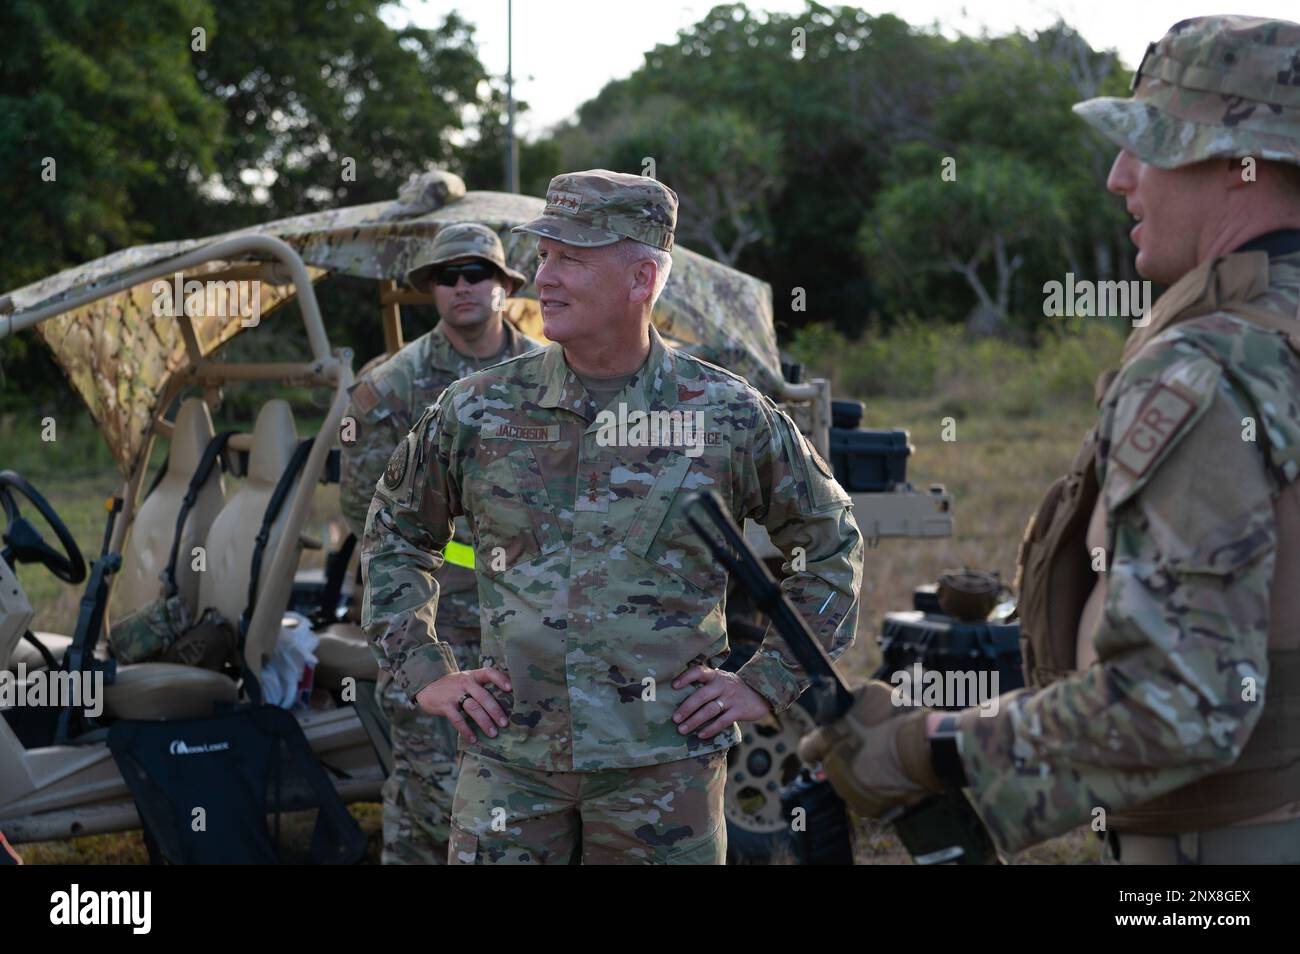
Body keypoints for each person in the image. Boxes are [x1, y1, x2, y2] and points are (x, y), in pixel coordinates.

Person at [800, 15, 1300, 864]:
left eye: (1147, 142)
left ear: (1235, 162)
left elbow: (1178, 703)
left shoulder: (1207, 368)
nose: (1119, 177)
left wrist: (926, 746)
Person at [361, 169, 864, 864]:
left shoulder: (726, 414)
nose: (545, 278)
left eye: (573, 258)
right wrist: (422, 666)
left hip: (663, 772)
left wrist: (765, 683)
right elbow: (395, 531)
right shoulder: (477, 409)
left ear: (641, 279)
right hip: (512, 764)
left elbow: (830, 541)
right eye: (543, 255)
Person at [340, 222, 540, 864]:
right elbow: (367, 514)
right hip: (436, 620)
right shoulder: (392, 387)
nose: (462, 287)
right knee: (430, 789)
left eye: (476, 273)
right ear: (430, 291)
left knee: (533, 789)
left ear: (504, 286)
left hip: (535, 617)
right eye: (447, 277)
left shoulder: (550, 375)